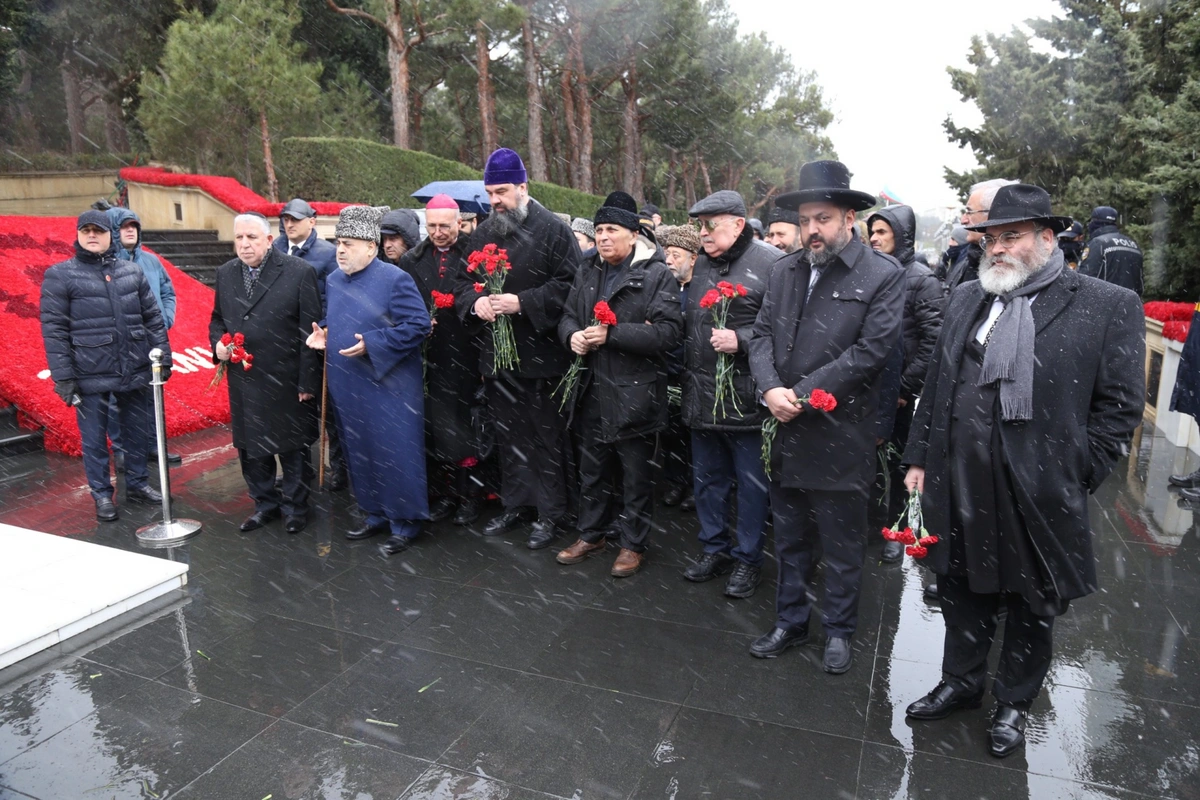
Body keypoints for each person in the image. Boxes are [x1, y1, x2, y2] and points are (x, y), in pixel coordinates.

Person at [902, 183, 1144, 758]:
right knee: (959, 584)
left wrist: (1076, 471)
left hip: (1038, 487)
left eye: (1012, 236)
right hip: (958, 474)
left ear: (1046, 237)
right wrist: (918, 457)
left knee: (1034, 598)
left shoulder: (1104, 303)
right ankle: (962, 681)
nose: (998, 249)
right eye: (990, 238)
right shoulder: (966, 296)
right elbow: (937, 387)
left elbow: (1119, 407)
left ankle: (1014, 699)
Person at [747, 160, 904, 673]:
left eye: (825, 218)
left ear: (849, 218)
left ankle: (838, 630)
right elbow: (763, 335)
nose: (813, 229)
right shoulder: (783, 270)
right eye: (807, 219)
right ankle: (790, 622)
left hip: (840, 434)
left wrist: (802, 392)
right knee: (789, 538)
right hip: (783, 429)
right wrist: (770, 387)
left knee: (840, 545)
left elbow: (871, 352)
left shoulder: (882, 275)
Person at [554, 192, 683, 576]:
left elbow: (668, 333)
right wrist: (572, 337)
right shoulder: (588, 268)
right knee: (592, 470)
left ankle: (632, 543)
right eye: (598, 230)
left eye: (611, 229)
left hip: (635, 391)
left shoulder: (655, 273)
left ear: (633, 233)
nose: (603, 237)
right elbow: (567, 316)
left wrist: (614, 334)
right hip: (591, 387)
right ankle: (591, 534)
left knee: (635, 474)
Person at [458, 147, 580, 550]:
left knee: (546, 438)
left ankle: (550, 513)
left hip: (542, 357)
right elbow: (461, 284)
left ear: (523, 188)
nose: (495, 200)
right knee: (508, 436)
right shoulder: (482, 232)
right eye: (490, 192)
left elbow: (570, 288)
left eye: (503, 191)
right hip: (497, 359)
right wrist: (474, 303)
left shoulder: (553, 230)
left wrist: (521, 302)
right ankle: (515, 505)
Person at [307, 206, 432, 555]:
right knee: (359, 452)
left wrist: (373, 344)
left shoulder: (395, 279)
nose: (340, 250)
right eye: (338, 244)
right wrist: (326, 335)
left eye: (348, 243)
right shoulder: (333, 280)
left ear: (371, 247)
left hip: (390, 385)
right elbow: (341, 320)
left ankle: (405, 522)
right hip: (349, 384)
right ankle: (374, 513)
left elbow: (418, 325)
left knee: (395, 452)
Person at [681, 190, 782, 599]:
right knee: (707, 482)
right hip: (702, 396)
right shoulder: (702, 264)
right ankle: (714, 548)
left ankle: (748, 559)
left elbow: (782, 331)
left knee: (752, 486)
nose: (703, 233)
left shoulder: (770, 263)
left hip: (745, 399)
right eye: (699, 225)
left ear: (739, 224)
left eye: (712, 224)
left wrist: (740, 339)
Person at [40, 210, 171, 521]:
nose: (91, 236)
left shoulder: (131, 272)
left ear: (109, 234)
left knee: (137, 432)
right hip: (89, 371)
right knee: (95, 439)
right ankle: (102, 495)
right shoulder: (61, 275)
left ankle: (138, 484)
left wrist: (162, 357)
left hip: (134, 365)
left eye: (97, 230)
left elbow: (152, 317)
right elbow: (54, 328)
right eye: (85, 231)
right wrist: (64, 377)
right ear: (78, 235)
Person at [210, 213, 322, 534]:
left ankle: (295, 507)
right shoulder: (226, 273)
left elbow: (308, 333)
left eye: (252, 238)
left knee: (292, 447)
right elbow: (218, 318)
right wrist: (218, 343)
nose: (244, 245)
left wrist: (307, 382)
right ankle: (264, 504)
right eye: (239, 238)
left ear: (269, 240)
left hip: (285, 379)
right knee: (250, 448)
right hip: (244, 378)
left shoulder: (299, 272)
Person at [398, 195, 485, 527]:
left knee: (466, 434)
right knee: (434, 431)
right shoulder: (411, 260)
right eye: (431, 226)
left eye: (444, 226)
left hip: (465, 355)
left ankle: (471, 498)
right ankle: (445, 495)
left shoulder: (474, 255)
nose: (437, 232)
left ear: (458, 224)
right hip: (428, 357)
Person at [867, 205, 944, 561]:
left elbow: (933, 341)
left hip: (898, 393)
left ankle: (897, 531)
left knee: (898, 462)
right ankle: (870, 523)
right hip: (868, 388)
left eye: (883, 231)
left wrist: (903, 387)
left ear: (902, 235)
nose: (875, 238)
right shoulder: (869, 272)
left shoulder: (920, 279)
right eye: (873, 231)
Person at [272, 197, 347, 491]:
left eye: (295, 219)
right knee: (292, 412)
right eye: (285, 219)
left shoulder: (328, 254)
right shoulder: (275, 249)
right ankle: (298, 470)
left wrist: (325, 329)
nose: (288, 224)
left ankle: (339, 469)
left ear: (312, 221)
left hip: (318, 342)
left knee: (330, 413)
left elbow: (333, 297)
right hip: (285, 345)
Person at [104, 206, 182, 469]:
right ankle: (123, 451)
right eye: (124, 226)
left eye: (134, 226)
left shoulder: (151, 261)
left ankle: (152, 446)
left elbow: (168, 292)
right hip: (122, 343)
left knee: (152, 395)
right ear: (114, 230)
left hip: (151, 341)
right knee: (119, 399)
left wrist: (165, 319)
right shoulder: (105, 263)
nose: (130, 230)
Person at [659, 224, 702, 510]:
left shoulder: (702, 289)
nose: (669, 260)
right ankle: (676, 482)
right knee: (673, 433)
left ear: (693, 258)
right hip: (668, 372)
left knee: (696, 436)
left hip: (695, 375)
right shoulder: (665, 286)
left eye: (675, 254)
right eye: (667, 254)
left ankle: (697, 487)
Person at [944, 179, 1017, 296]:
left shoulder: (1014, 270)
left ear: (993, 213)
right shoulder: (968, 257)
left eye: (969, 211)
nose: (963, 220)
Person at [1079, 205, 1143, 296]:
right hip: (1131, 305)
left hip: (1106, 304)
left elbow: (1086, 278)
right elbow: (1140, 284)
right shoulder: (1133, 245)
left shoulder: (1098, 243)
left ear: (1095, 222)